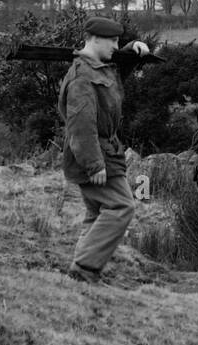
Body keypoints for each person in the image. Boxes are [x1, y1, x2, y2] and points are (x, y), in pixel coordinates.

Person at [58, 17, 149, 285]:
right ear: (95, 39)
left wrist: (134, 48)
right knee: (122, 206)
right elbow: (80, 126)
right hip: (95, 153)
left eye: (119, 41)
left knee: (97, 213)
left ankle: (79, 277)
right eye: (113, 41)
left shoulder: (99, 68)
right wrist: (93, 164)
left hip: (107, 150)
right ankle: (84, 268)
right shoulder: (82, 77)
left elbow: (115, 74)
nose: (116, 46)